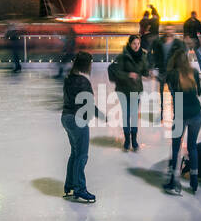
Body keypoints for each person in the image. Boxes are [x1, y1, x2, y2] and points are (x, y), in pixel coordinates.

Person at [60, 51, 100, 204]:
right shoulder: (83, 82)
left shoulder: (68, 78)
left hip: (66, 118)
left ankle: (69, 185)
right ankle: (79, 188)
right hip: (78, 121)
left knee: (75, 154)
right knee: (82, 155)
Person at [163, 44, 201, 195]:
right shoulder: (194, 72)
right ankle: (194, 181)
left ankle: (174, 182)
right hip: (197, 114)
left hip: (180, 115)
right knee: (192, 147)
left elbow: (171, 90)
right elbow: (198, 92)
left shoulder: (172, 75)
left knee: (176, 149)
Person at [109, 34, 150, 150]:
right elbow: (117, 72)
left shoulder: (143, 55)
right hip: (123, 90)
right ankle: (127, 139)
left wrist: (147, 73)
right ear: (130, 44)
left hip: (135, 90)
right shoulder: (123, 56)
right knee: (126, 115)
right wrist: (129, 75)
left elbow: (144, 70)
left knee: (134, 115)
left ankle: (134, 139)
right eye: (134, 44)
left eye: (138, 44)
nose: (136, 46)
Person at [183, 10, 201, 75]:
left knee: (196, 55)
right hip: (192, 39)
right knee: (197, 55)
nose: (194, 16)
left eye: (194, 15)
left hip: (193, 39)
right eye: (194, 15)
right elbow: (200, 31)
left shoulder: (190, 22)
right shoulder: (195, 22)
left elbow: (200, 31)